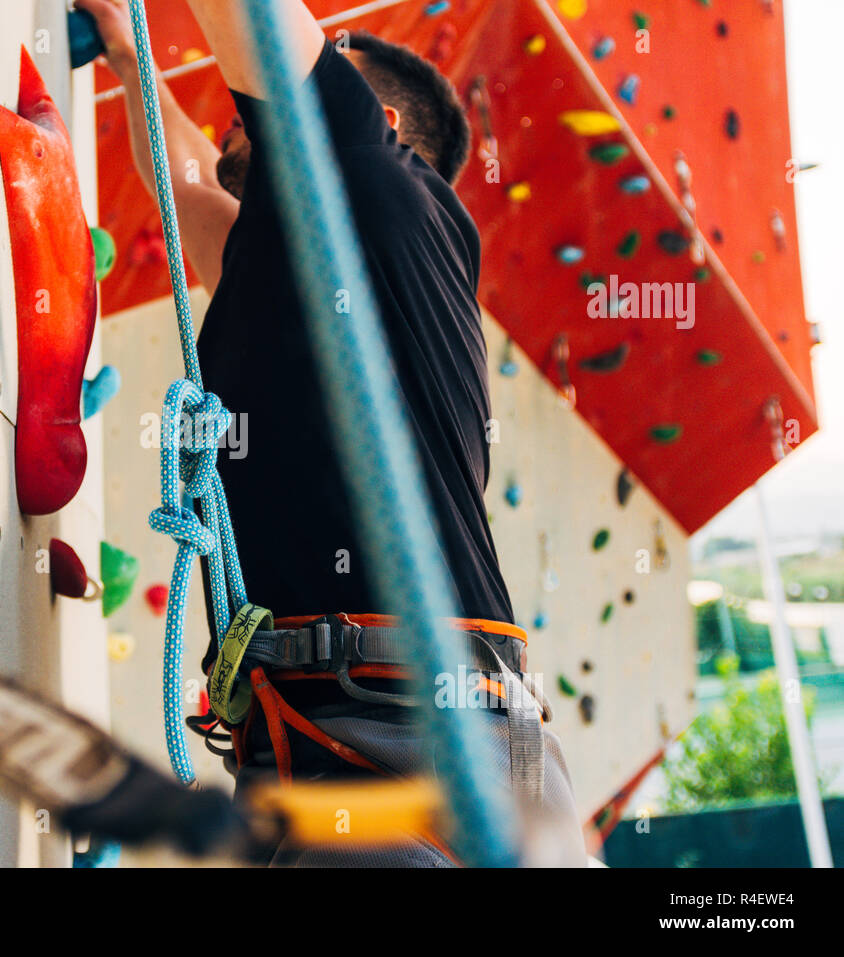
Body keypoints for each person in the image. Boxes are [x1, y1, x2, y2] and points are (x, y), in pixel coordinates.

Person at [78, 0, 583, 866]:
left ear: (373, 119)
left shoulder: (381, 184)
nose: (232, 127)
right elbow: (189, 185)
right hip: (360, 725)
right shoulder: (306, 262)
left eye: (247, 118)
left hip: (414, 725)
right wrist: (130, 60)